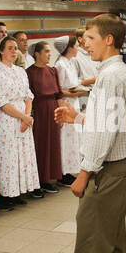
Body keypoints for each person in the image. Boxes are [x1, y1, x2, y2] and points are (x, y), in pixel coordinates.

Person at [50, 14, 126, 253]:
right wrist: (78, 116)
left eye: (89, 37)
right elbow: (109, 120)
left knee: (91, 247)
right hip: (121, 169)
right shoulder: (118, 73)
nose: (84, 43)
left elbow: (104, 132)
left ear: (109, 40)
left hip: (105, 172)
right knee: (112, 243)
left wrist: (84, 173)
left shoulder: (110, 77)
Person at [0, 36, 42, 208]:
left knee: (22, 157)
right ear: (1, 51)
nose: (13, 51)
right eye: (10, 48)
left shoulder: (20, 71)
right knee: (8, 157)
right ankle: (5, 195)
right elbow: (1, 102)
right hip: (7, 120)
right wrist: (24, 117)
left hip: (24, 119)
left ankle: (18, 191)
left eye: (15, 48)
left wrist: (27, 115)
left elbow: (28, 95)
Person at [26, 40, 65, 194]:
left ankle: (49, 178)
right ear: (37, 54)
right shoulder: (29, 73)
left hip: (53, 110)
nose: (49, 55)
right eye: (47, 51)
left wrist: (61, 113)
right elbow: (28, 97)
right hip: (39, 111)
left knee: (53, 145)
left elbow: (59, 94)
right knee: (39, 146)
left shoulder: (53, 71)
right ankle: (38, 180)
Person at [54, 36, 87, 185]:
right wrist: (75, 93)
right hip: (66, 104)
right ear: (68, 48)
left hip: (74, 103)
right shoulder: (60, 65)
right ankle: (62, 172)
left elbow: (73, 84)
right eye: (75, 45)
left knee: (74, 138)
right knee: (65, 139)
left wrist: (79, 90)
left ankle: (71, 168)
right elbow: (58, 89)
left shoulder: (70, 62)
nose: (78, 48)